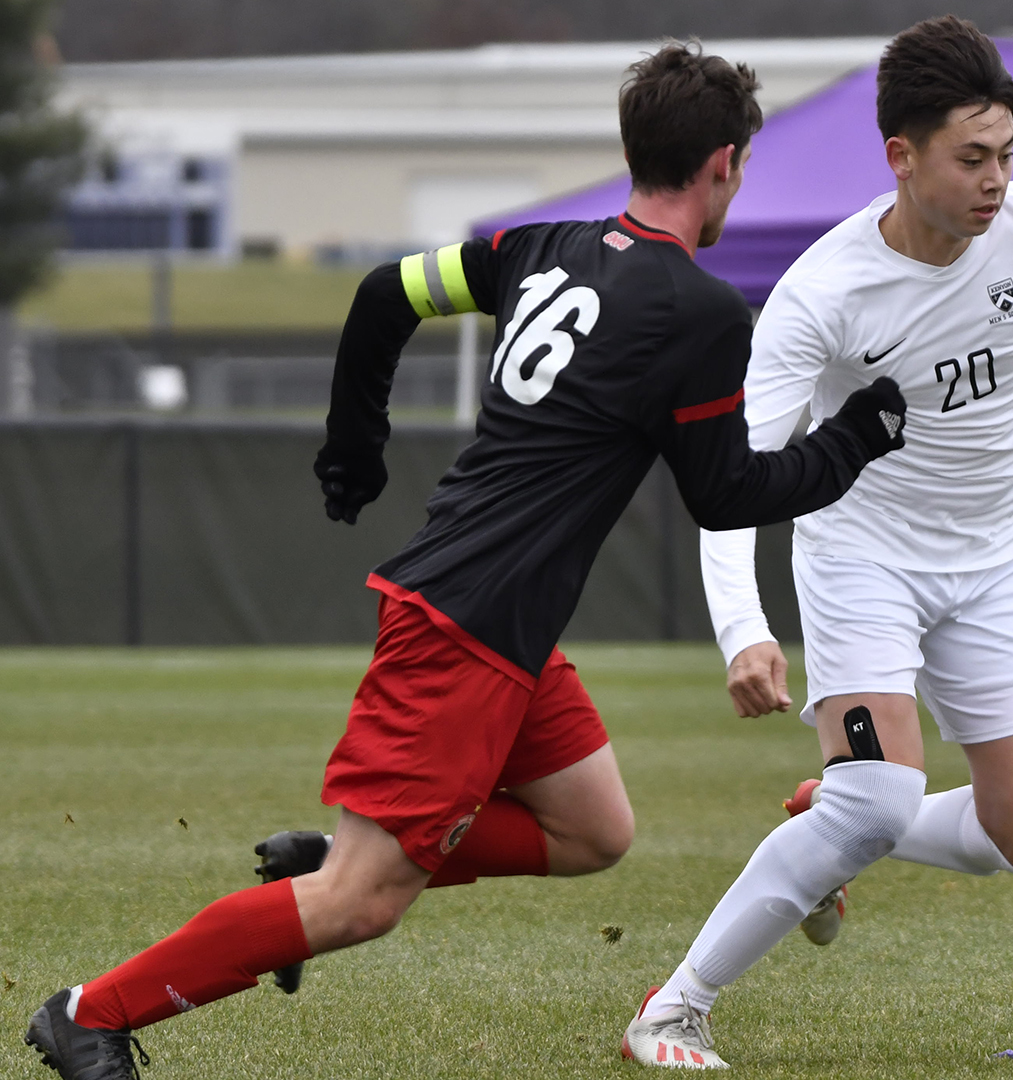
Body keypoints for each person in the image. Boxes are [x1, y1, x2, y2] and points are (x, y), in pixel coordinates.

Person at [23, 44, 909, 1080]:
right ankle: (91, 1011)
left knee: (593, 829)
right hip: (469, 625)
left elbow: (383, 295)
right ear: (724, 163)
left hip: (493, 616)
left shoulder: (537, 245)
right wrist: (861, 431)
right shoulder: (702, 313)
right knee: (360, 906)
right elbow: (728, 495)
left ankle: (336, 858)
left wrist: (354, 445)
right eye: (740, 168)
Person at [619, 16, 1013, 1070]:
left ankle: (835, 830)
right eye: (972, 158)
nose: (996, 180)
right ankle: (674, 1007)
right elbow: (731, 474)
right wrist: (744, 628)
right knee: (875, 796)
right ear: (900, 157)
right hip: (860, 560)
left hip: (993, 568)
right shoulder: (821, 295)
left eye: (1007, 154)